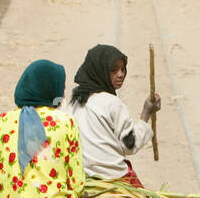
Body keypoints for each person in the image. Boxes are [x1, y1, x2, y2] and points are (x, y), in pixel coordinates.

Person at [0, 60, 83, 198]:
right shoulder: (66, 122)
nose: (63, 96)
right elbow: (77, 183)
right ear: (51, 90)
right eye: (61, 89)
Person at [67, 44, 161, 188]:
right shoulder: (112, 103)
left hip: (81, 175)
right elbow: (130, 145)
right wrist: (146, 113)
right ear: (99, 71)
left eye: (123, 69)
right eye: (113, 70)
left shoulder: (74, 101)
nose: (120, 74)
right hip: (112, 177)